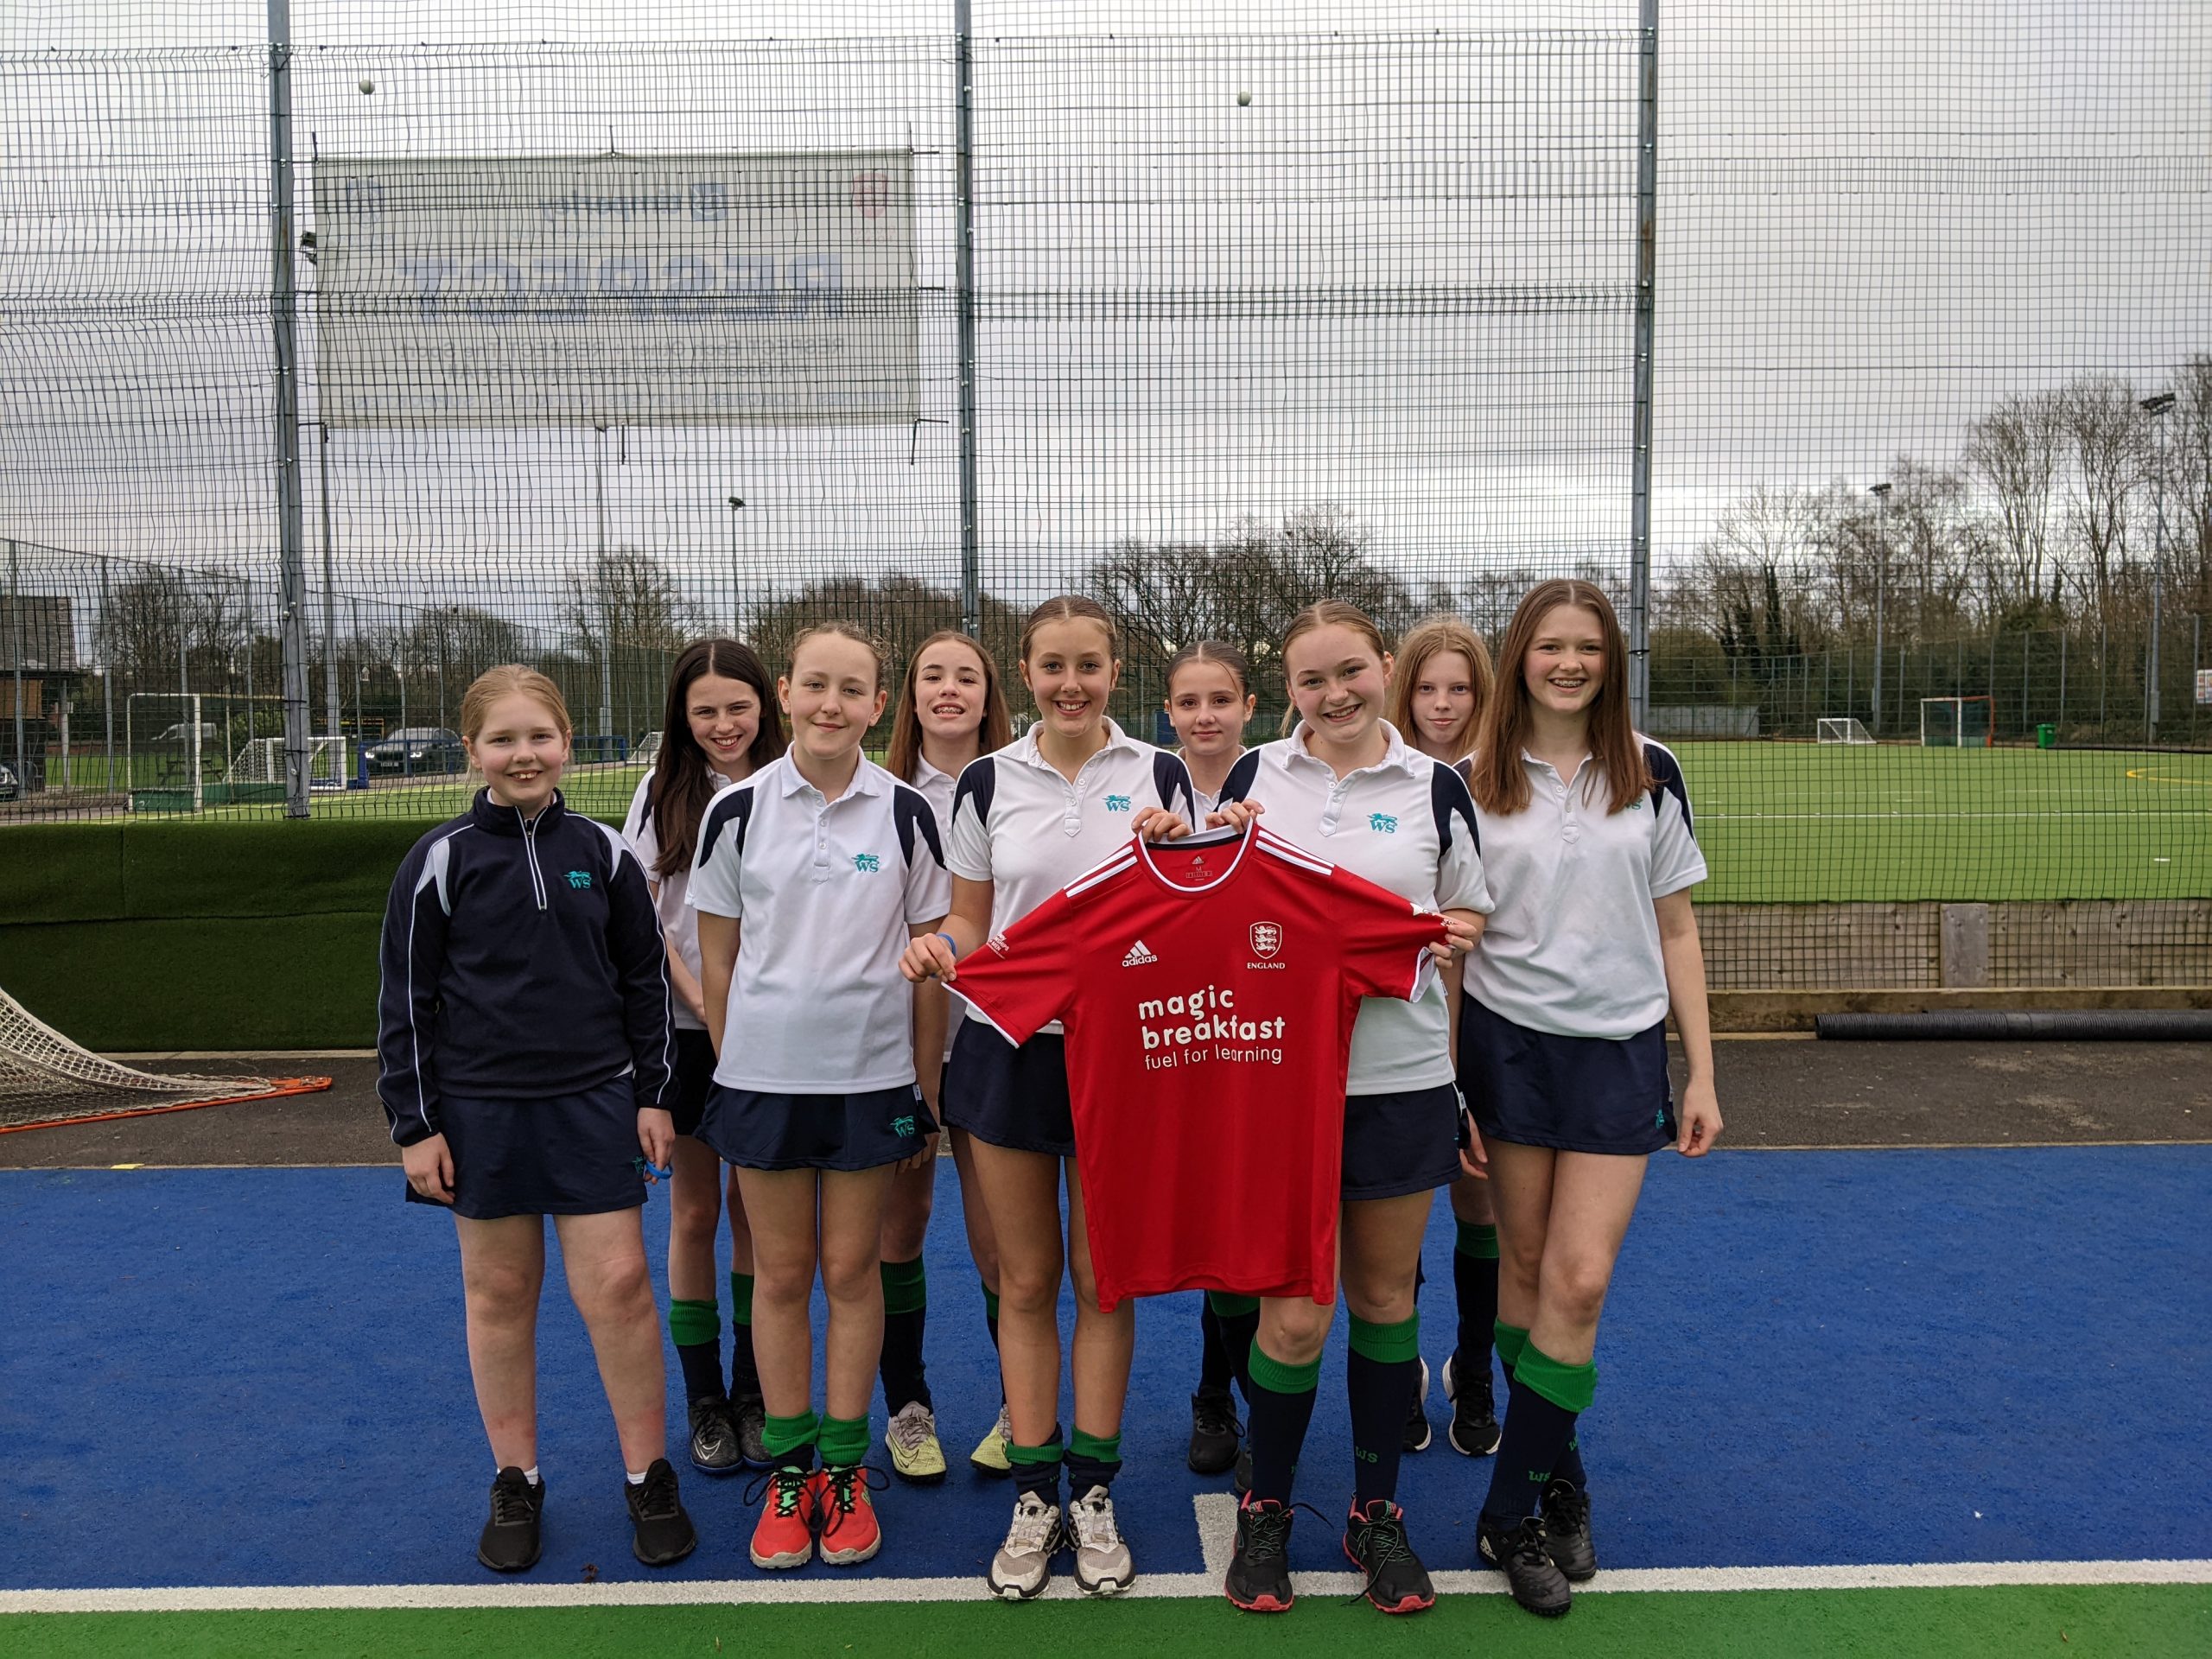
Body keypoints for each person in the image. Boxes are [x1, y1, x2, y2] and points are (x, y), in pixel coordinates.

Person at [898, 595, 1195, 1601]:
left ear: (1117, 673)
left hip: (1126, 1062)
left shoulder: (1159, 776)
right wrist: (945, 950)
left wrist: (1183, 843)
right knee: (1025, 1284)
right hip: (1007, 1052)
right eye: (1053, 666)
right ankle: (1036, 1493)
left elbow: (1191, 920)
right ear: (1025, 675)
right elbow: (973, 923)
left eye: (1090, 665)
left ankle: (1094, 1493)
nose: (1072, 684)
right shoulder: (986, 780)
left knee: (1104, 1279)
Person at [377, 664, 695, 1575]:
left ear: (566, 743)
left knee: (623, 1288)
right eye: (504, 739)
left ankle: (647, 1475)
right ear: (472, 749)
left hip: (594, 1106)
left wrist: (652, 1095)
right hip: (479, 1116)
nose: (524, 755)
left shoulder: (606, 849)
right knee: (501, 1295)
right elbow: (406, 1002)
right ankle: (516, 1478)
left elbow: (645, 986)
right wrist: (415, 1125)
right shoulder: (438, 860)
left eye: (540, 736)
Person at [1210, 601, 1491, 1616]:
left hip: (1400, 1083)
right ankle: (1266, 1511)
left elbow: (1467, 914)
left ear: (1385, 669)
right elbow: (1209, 908)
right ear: (1288, 692)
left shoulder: (1435, 787)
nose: (1335, 695)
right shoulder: (1253, 779)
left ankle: (1377, 1515)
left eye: (1352, 673)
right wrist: (1187, 842)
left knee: (1382, 1303)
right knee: (1292, 1317)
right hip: (1279, 1089)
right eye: (1313, 680)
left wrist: (1452, 933)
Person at [1459, 580, 1722, 1618]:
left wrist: (1700, 1070)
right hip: (1506, 1049)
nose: (1568, 663)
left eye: (1588, 648)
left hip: (1618, 1051)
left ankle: (1505, 1505)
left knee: (1578, 1280)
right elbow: (1449, 943)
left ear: (1610, 662)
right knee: (1521, 1272)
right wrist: (1448, 1081)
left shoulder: (1647, 770)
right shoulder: (1468, 778)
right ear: (1519, 654)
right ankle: (1553, 1477)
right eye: (1549, 646)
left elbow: (1678, 932)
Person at [689, 623, 952, 1572]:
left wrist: (922, 1090)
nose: (832, 704)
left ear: (879, 705)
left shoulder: (910, 813)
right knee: (781, 1276)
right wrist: (737, 1062)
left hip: (870, 1084)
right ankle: (791, 1469)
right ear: (787, 693)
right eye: (816, 686)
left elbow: (929, 966)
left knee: (853, 1275)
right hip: (761, 1086)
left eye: (853, 690)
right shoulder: (739, 810)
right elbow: (716, 958)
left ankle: (843, 1471)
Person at [622, 639, 785, 1477]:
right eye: (704, 712)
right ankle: (705, 1398)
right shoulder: (659, 797)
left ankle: (756, 1391)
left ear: (766, 704)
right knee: (694, 1213)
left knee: (758, 1216)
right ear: (682, 721)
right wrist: (702, 1001)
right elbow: (647, 918)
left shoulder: (793, 786)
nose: (724, 725)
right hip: (691, 1034)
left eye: (737, 707)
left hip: (775, 1035)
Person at [879, 629, 1014, 1482]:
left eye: (966, 675)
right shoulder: (882, 793)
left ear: (987, 693)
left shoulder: (1019, 782)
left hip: (999, 1043)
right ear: (913, 694)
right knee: (903, 1227)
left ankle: (1017, 1408)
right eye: (933, 674)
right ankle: (907, 1410)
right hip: (900, 1043)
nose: (949, 689)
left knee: (1002, 1244)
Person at [1388, 617, 1504, 1459]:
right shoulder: (1389, 780)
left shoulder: (1504, 780)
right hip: (1414, 1024)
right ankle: (1400, 1373)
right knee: (1399, 1206)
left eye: (1458, 688)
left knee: (1479, 1201)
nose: (1441, 703)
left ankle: (1473, 1367)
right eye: (1427, 687)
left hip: (1499, 1019)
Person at [1160, 641, 1262, 1477]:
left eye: (1220, 700)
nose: (1205, 717)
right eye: (1189, 702)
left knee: (1248, 1217)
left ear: (1248, 705)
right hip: (1174, 1030)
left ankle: (1240, 1390)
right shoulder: (1153, 787)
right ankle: (1214, 1397)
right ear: (1167, 711)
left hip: (1264, 1028)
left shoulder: (1281, 785)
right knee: (1210, 1216)